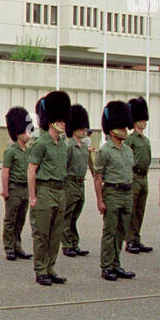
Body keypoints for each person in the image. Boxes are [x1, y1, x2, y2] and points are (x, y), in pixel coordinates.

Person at [28, 90, 70, 286]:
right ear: (51, 121)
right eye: (60, 121)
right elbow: (31, 170)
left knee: (56, 234)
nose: (63, 124)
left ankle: (51, 268)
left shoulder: (63, 144)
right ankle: (40, 270)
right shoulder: (41, 143)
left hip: (60, 191)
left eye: (64, 121)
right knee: (42, 233)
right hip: (45, 190)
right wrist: (33, 196)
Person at [92, 100, 136, 281]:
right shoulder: (104, 151)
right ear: (112, 130)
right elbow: (98, 177)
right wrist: (100, 199)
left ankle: (116, 264)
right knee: (110, 231)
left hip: (127, 193)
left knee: (121, 231)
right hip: (112, 192)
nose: (125, 130)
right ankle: (106, 266)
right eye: (121, 127)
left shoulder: (127, 150)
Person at [0, 106, 33, 261]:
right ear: (19, 132)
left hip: (25, 188)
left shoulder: (28, 150)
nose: (28, 135)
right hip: (14, 188)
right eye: (26, 132)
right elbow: (5, 171)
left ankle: (17, 246)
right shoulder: (11, 151)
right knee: (10, 219)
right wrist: (5, 190)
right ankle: (9, 247)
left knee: (21, 219)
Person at [61, 105, 92, 258]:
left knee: (75, 215)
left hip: (81, 183)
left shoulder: (85, 146)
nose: (83, 131)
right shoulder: (69, 147)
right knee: (68, 214)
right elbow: (63, 166)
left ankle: (74, 242)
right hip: (70, 183)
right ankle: (67, 244)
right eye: (80, 128)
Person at [125, 96, 153, 254]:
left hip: (144, 177)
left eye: (145, 119)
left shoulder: (145, 140)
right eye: (141, 119)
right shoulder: (131, 140)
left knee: (140, 210)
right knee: (132, 209)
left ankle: (137, 237)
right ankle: (130, 240)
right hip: (134, 176)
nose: (144, 122)